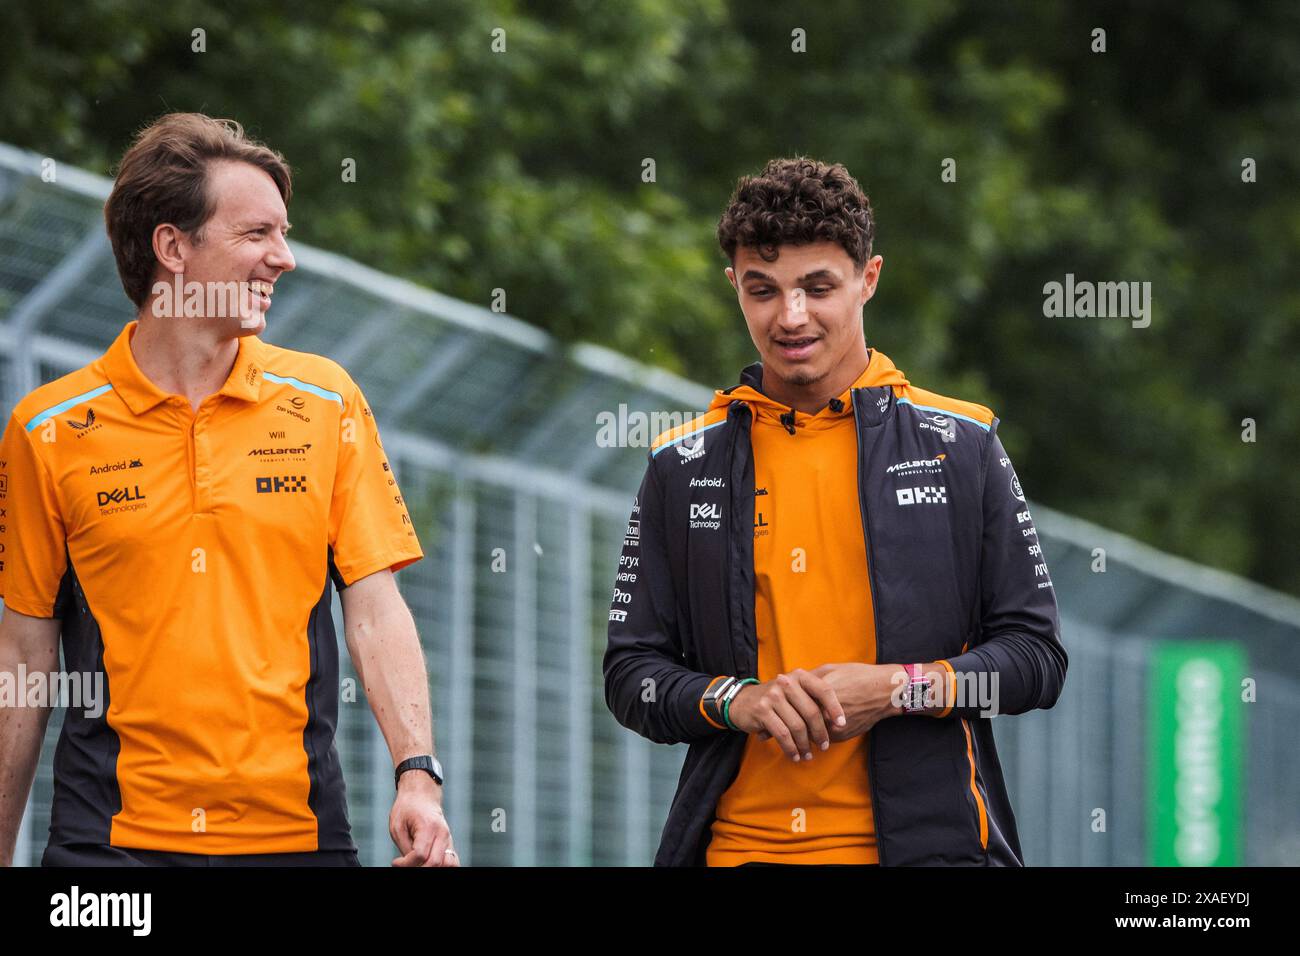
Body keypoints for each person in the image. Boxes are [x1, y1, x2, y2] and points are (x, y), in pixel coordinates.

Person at [0, 113, 457, 867]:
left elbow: (375, 609)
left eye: (284, 233)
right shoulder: (47, 429)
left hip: (298, 839)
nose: (285, 259)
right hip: (109, 848)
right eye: (257, 235)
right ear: (173, 247)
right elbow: (23, 656)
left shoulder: (327, 402)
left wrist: (418, 777)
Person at [603, 157, 1067, 866]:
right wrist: (738, 701)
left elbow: (1036, 662)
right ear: (735, 286)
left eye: (817, 288)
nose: (791, 317)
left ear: (868, 279)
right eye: (763, 291)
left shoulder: (964, 445)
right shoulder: (680, 464)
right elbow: (632, 676)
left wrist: (899, 688)